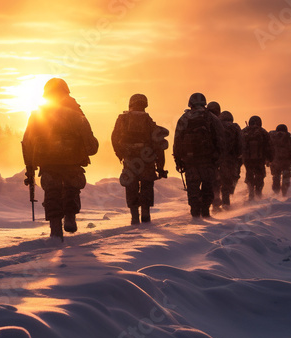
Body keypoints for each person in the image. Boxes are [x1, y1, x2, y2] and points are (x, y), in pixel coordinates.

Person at [22, 78, 99, 241]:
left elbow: (27, 142)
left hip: (48, 163)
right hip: (72, 163)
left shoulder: (38, 114)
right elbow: (91, 144)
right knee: (72, 189)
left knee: (52, 192)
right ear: (66, 92)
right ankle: (70, 216)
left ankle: (55, 228)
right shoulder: (77, 114)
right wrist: (88, 150)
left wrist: (30, 167)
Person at [110, 93, 168, 224]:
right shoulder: (149, 121)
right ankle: (145, 213)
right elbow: (158, 144)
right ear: (145, 104)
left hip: (129, 160)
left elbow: (114, 138)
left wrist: (121, 153)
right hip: (147, 161)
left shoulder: (122, 119)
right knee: (147, 184)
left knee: (131, 186)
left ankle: (134, 215)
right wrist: (160, 166)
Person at [173, 93, 223, 218]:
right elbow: (220, 139)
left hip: (190, 161)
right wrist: (218, 158)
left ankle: (195, 214)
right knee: (208, 186)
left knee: (193, 188)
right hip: (208, 161)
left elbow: (177, 140)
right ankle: (205, 211)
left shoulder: (184, 118)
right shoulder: (211, 117)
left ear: (190, 103)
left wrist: (178, 160)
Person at [241, 115, 273, 200]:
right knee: (260, 175)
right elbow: (269, 146)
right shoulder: (263, 132)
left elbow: (239, 145)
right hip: (260, 159)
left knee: (249, 173)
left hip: (247, 159)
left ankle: (251, 193)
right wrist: (270, 159)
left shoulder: (244, 131)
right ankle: (258, 194)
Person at [217, 110, 244, 208]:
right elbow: (240, 143)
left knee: (216, 180)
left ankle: (215, 202)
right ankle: (226, 203)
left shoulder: (216, 125)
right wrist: (239, 155)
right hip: (231, 159)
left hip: (217, 158)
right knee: (228, 180)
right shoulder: (235, 127)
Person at [269, 124, 291, 197]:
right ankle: (285, 195)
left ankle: (276, 195)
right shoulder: (290, 140)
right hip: (287, 163)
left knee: (276, 178)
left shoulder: (272, 139)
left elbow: (268, 150)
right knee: (286, 180)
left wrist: (268, 161)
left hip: (275, 163)